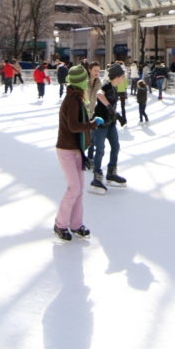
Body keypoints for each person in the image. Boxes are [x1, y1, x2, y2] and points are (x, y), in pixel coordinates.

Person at [54, 64, 102, 241]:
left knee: (79, 189)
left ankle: (75, 224)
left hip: (76, 150)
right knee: (74, 187)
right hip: (66, 149)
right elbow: (74, 126)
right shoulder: (72, 100)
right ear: (81, 82)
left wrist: (90, 122)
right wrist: (92, 124)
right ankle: (60, 224)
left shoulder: (77, 98)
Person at [90, 64, 127, 194]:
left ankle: (111, 173)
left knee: (116, 147)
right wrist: (109, 107)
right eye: (122, 76)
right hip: (100, 124)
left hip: (110, 124)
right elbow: (99, 94)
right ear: (116, 76)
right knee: (100, 150)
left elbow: (111, 106)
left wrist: (117, 115)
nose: (123, 79)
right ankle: (97, 177)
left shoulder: (115, 88)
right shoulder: (106, 85)